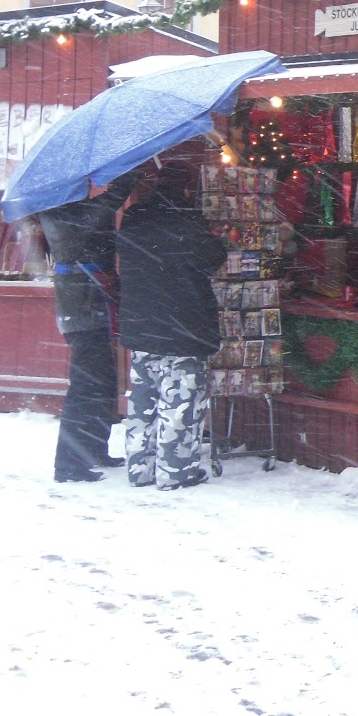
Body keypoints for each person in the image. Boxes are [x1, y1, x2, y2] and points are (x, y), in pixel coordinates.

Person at [116, 163, 227, 491]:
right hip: (183, 326)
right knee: (181, 403)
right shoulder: (188, 220)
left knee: (143, 400)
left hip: (142, 324)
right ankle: (175, 472)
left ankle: (140, 468)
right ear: (188, 188)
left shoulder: (134, 216)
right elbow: (212, 258)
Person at [39, 170, 141, 483]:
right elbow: (107, 204)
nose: (86, 189)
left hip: (87, 305)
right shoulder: (64, 215)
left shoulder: (63, 212)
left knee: (103, 382)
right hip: (84, 309)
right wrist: (128, 177)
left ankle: (94, 448)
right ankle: (68, 464)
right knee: (86, 387)